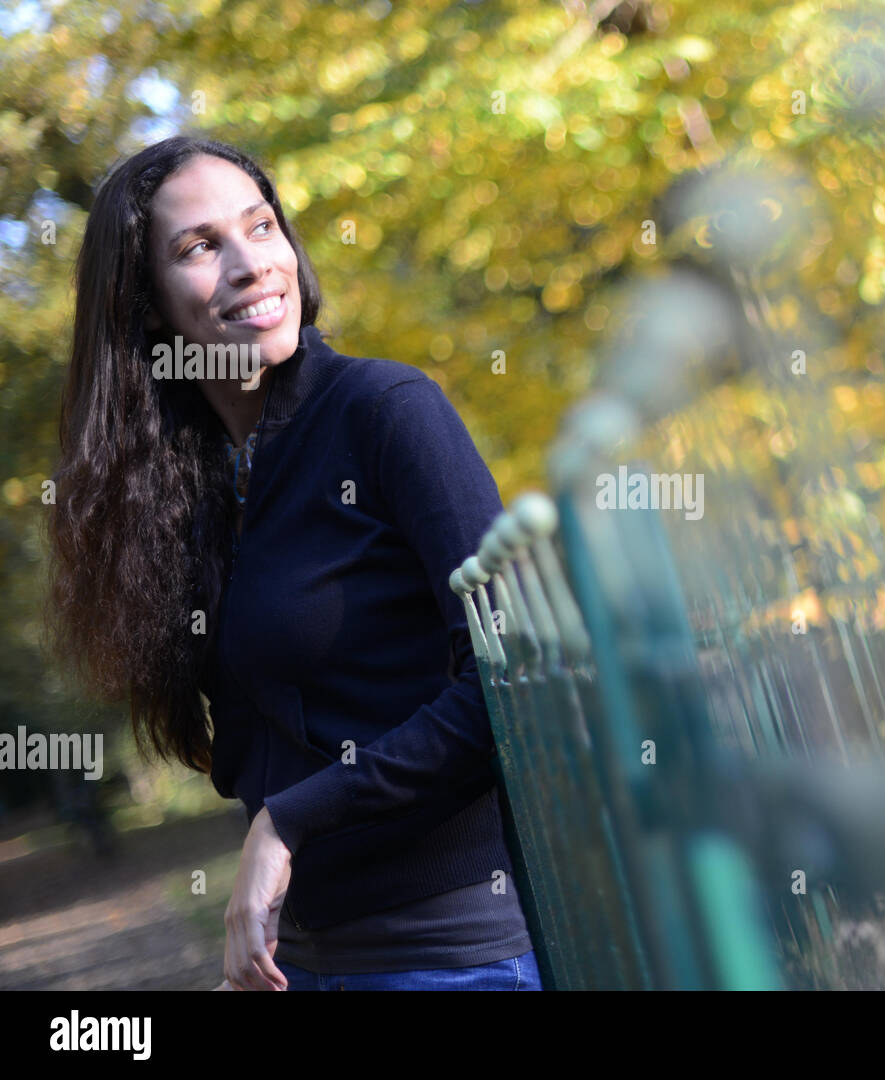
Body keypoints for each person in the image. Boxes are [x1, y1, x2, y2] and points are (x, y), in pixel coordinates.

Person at [46, 135, 542, 991]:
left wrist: (289, 823)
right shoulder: (188, 493)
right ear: (148, 304)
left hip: (454, 961)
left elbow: (514, 674)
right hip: (305, 965)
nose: (250, 264)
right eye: (201, 247)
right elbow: (251, 741)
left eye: (261, 227)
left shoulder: (387, 411)